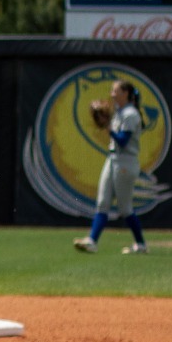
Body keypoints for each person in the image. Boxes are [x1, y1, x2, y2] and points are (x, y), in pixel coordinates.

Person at [73, 79, 149, 255]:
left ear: (125, 94)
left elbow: (123, 140)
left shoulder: (131, 114)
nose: (112, 94)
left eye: (115, 91)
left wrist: (109, 128)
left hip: (126, 161)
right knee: (102, 202)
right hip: (113, 159)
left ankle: (141, 244)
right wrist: (105, 122)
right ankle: (92, 241)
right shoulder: (120, 113)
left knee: (125, 208)